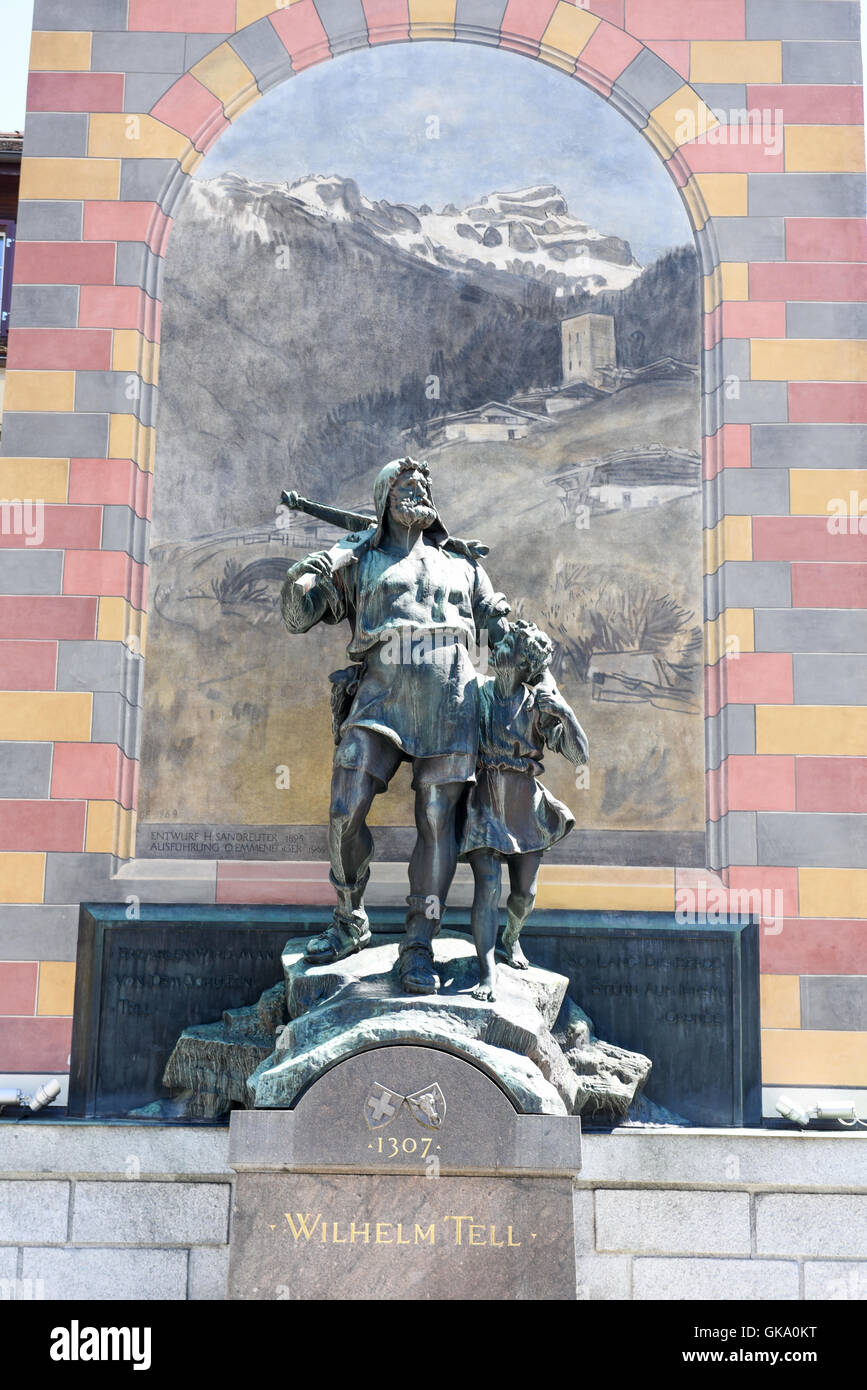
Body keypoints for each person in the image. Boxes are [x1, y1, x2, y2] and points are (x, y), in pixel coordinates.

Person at [280, 457, 510, 994]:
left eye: (423, 485)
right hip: (381, 694)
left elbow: (499, 626)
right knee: (345, 807)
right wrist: (314, 567)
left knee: (436, 822)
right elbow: (298, 616)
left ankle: (418, 947)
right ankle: (348, 917)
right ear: (383, 495)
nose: (416, 492)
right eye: (405, 485)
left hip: (452, 697)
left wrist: (526, 659)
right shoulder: (359, 561)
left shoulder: (463, 564)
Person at [458, 621, 589, 1000]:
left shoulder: (537, 704)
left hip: (525, 804)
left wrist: (566, 712)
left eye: (507, 644)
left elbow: (579, 755)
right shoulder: (476, 691)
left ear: (520, 658)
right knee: (488, 888)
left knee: (524, 896)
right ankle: (488, 974)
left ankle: (510, 937)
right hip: (484, 801)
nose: (497, 647)